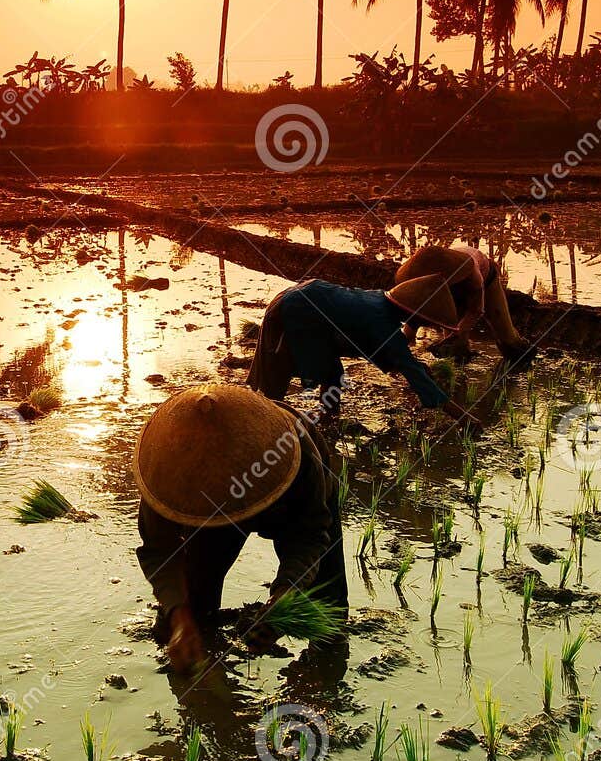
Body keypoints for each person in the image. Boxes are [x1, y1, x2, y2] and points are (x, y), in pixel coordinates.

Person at [133, 384, 344, 672]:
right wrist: (180, 616)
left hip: (289, 499)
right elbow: (159, 551)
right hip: (208, 513)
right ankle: (203, 691)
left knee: (328, 617)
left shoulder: (297, 452)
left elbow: (309, 536)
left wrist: (283, 599)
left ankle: (322, 682)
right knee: (195, 608)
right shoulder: (165, 472)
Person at [245, 275, 481, 426]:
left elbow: (389, 352)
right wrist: (461, 416)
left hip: (306, 300)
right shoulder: (380, 320)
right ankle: (261, 421)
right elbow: (404, 362)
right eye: (424, 321)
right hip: (297, 309)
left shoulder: (379, 303)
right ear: (413, 313)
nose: (424, 326)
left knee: (333, 374)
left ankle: (328, 417)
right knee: (277, 366)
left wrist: (415, 367)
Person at [395, 245, 533, 367]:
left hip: (486, 283)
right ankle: (458, 378)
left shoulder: (471, 273)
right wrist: (397, 351)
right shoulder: (421, 288)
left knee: (508, 340)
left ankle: (524, 359)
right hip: (452, 291)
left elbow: (477, 309)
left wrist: (459, 331)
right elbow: (412, 322)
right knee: (452, 350)